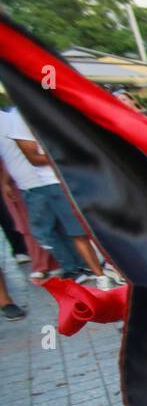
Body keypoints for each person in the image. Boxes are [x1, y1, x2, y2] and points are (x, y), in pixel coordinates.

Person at [0, 107, 118, 289]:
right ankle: (98, 275)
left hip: (87, 176)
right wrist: (69, 155)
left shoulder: (64, 108)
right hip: (55, 182)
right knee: (77, 232)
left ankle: (114, 268)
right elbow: (33, 157)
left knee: (105, 226)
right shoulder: (21, 116)